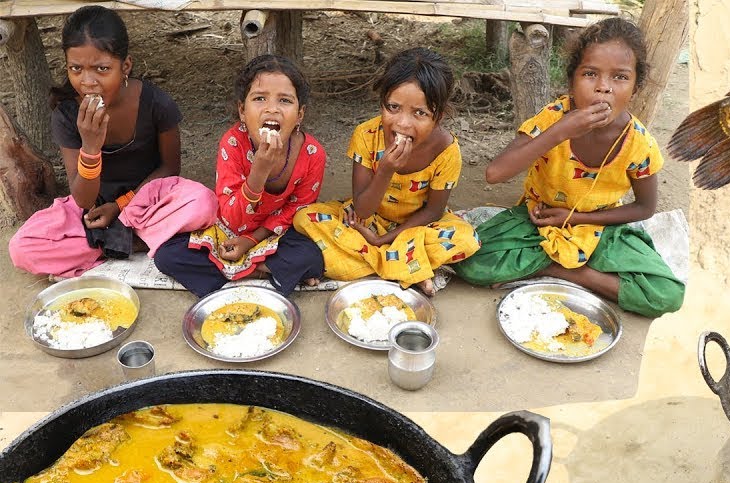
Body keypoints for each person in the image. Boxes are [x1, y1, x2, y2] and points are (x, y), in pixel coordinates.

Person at [453, 17, 685, 317]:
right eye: (590, 74)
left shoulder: (639, 144)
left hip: (600, 226)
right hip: (539, 220)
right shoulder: (554, 118)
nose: (603, 88)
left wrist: (578, 218)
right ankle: (558, 264)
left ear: (636, 88)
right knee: (469, 259)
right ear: (571, 81)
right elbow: (495, 173)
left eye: (620, 77)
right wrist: (561, 131)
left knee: (666, 295)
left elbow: (644, 208)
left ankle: (564, 271)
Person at [8, 5, 216, 277]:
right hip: (93, 209)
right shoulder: (67, 114)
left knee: (203, 203)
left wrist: (120, 207)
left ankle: (116, 244)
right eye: (76, 68)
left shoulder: (155, 104)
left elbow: (169, 169)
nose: (87, 81)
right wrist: (91, 149)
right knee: (22, 248)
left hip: (148, 200)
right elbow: (82, 198)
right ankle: (136, 242)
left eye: (102, 69)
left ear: (125, 66)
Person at [292, 48, 476, 294]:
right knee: (304, 218)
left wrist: (382, 240)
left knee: (465, 238)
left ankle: (377, 262)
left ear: (438, 116)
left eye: (420, 113)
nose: (402, 123)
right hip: (365, 221)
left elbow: (433, 211)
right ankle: (408, 267)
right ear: (382, 103)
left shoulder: (447, 151)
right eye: (393, 107)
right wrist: (386, 170)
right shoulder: (367, 136)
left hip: (415, 228)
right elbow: (363, 209)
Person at [153, 55, 325, 296]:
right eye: (259, 98)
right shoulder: (233, 143)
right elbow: (233, 219)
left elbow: (296, 210)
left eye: (285, 100)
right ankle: (263, 271)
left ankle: (239, 271)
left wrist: (252, 241)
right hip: (227, 229)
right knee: (167, 257)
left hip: (274, 234)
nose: (272, 108)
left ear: (300, 115)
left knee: (312, 258)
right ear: (242, 111)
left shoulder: (312, 154)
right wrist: (259, 172)